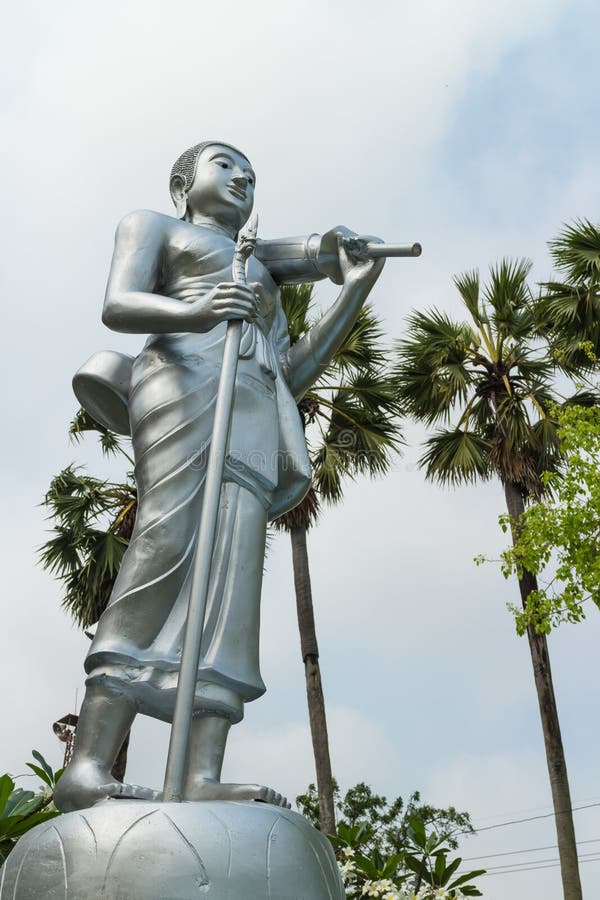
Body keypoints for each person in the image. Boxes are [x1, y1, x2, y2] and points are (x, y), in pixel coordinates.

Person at [54, 140, 384, 813]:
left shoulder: (261, 274)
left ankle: (201, 771)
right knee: (164, 545)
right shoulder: (156, 226)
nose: (243, 179)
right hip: (182, 385)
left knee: (232, 584)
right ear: (185, 182)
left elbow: (291, 374)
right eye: (226, 165)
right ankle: (87, 764)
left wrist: (352, 290)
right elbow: (119, 304)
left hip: (255, 414)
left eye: (252, 175)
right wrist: (200, 311)